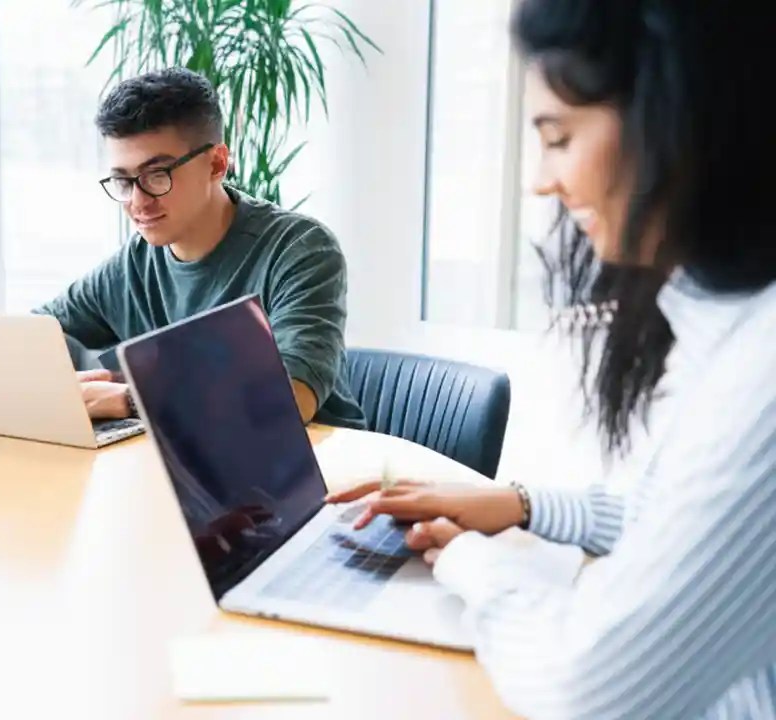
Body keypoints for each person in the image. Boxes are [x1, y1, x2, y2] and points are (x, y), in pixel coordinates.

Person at [327, 1, 776, 717]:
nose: (542, 181)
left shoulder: (760, 370)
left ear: (680, 116)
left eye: (558, 138)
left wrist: (473, 560)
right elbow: (677, 516)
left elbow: (588, 690)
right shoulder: (717, 314)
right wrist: (515, 504)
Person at [35, 67, 365, 428]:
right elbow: (32, 337)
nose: (138, 202)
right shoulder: (133, 266)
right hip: (187, 455)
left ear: (217, 163)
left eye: (157, 175)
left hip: (315, 455)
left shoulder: (300, 250)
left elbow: (287, 401)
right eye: (123, 181)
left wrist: (129, 399)